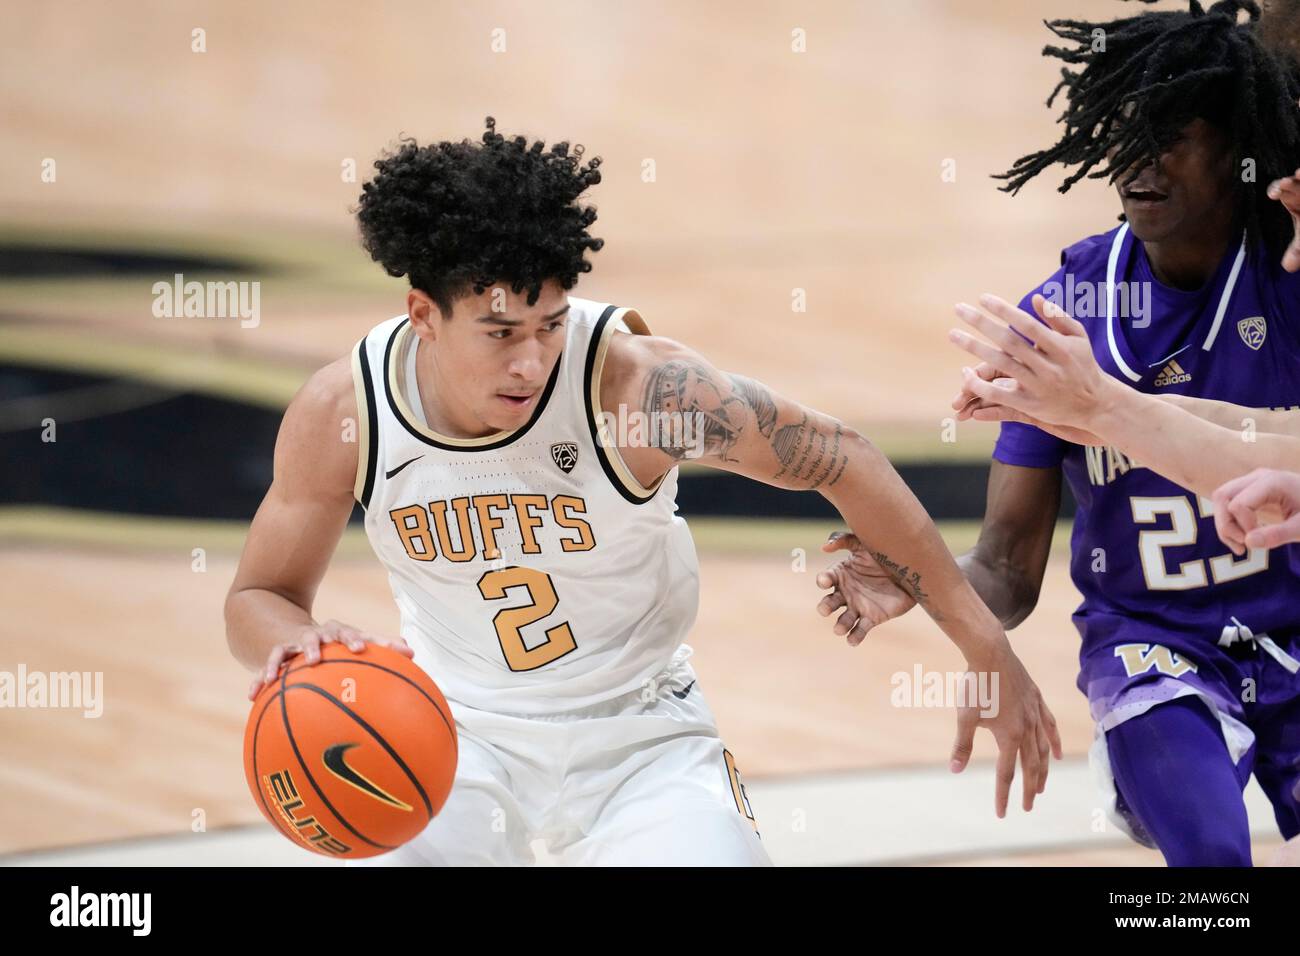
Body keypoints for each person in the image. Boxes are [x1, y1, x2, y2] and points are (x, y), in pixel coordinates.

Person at [224, 117, 1059, 867]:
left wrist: (989, 649)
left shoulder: (634, 394)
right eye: (501, 332)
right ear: (423, 314)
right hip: (447, 734)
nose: (530, 361)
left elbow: (841, 458)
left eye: (549, 325)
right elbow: (260, 593)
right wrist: (296, 641)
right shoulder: (348, 412)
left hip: (640, 738)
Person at [822, 0, 1300, 866]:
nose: (1137, 162)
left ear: (1236, 149)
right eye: (1122, 134)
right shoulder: (1065, 312)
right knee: (1212, 862)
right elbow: (1006, 569)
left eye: (1171, 135)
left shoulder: (1288, 272)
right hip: (1161, 648)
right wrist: (919, 585)